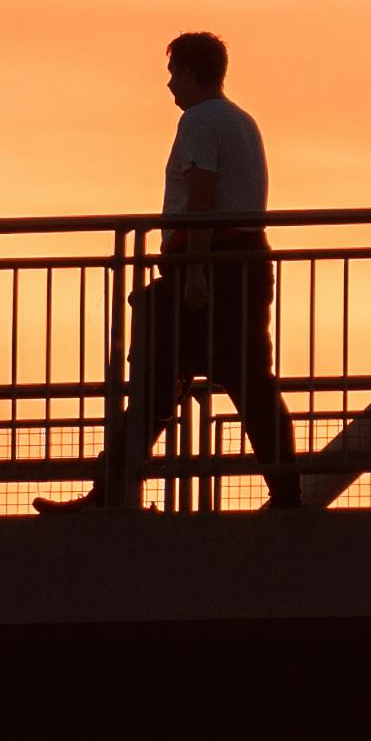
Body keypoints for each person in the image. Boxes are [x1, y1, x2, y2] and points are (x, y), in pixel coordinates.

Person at [80, 25, 308, 510]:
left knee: (159, 380)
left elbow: (201, 196)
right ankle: (287, 492)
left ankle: (109, 492)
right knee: (246, 380)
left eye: (172, 73)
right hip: (245, 262)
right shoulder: (241, 120)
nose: (168, 85)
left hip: (208, 264)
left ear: (187, 71)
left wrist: (198, 270)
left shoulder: (200, 122)